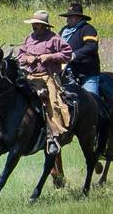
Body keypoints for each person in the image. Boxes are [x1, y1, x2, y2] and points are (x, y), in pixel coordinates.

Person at [16, 9, 74, 157]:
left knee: (53, 103)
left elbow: (67, 54)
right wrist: (26, 59)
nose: (34, 26)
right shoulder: (29, 38)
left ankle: (53, 138)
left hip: (48, 76)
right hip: (30, 76)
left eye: (37, 24)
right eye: (33, 23)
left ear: (44, 26)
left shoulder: (54, 38)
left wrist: (50, 56)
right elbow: (20, 54)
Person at [60, 2, 101, 102]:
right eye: (67, 16)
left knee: (92, 102)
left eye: (71, 16)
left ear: (79, 17)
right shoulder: (64, 30)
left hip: (87, 73)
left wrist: (74, 55)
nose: (68, 19)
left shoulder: (88, 29)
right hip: (68, 72)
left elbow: (91, 46)